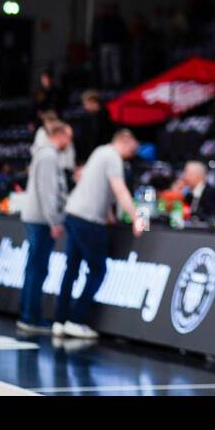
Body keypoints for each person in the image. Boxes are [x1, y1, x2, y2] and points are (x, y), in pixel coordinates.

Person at [53, 129, 144, 340]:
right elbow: (120, 190)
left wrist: (109, 213)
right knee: (98, 270)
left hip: (73, 213)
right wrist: (137, 217)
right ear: (124, 141)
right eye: (133, 148)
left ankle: (59, 320)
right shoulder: (113, 157)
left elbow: (96, 187)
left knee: (71, 268)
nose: (133, 153)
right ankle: (76, 321)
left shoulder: (99, 152)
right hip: (88, 219)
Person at [18, 122, 72, 334]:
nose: (70, 142)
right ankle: (30, 317)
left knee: (33, 268)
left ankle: (27, 314)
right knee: (38, 269)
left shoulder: (43, 154)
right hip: (41, 220)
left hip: (36, 218)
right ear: (59, 135)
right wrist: (54, 221)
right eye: (68, 137)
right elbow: (48, 192)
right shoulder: (49, 156)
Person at [72, 90, 115, 163]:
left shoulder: (104, 119)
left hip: (100, 156)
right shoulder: (87, 118)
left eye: (86, 104)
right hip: (92, 156)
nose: (85, 107)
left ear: (93, 102)